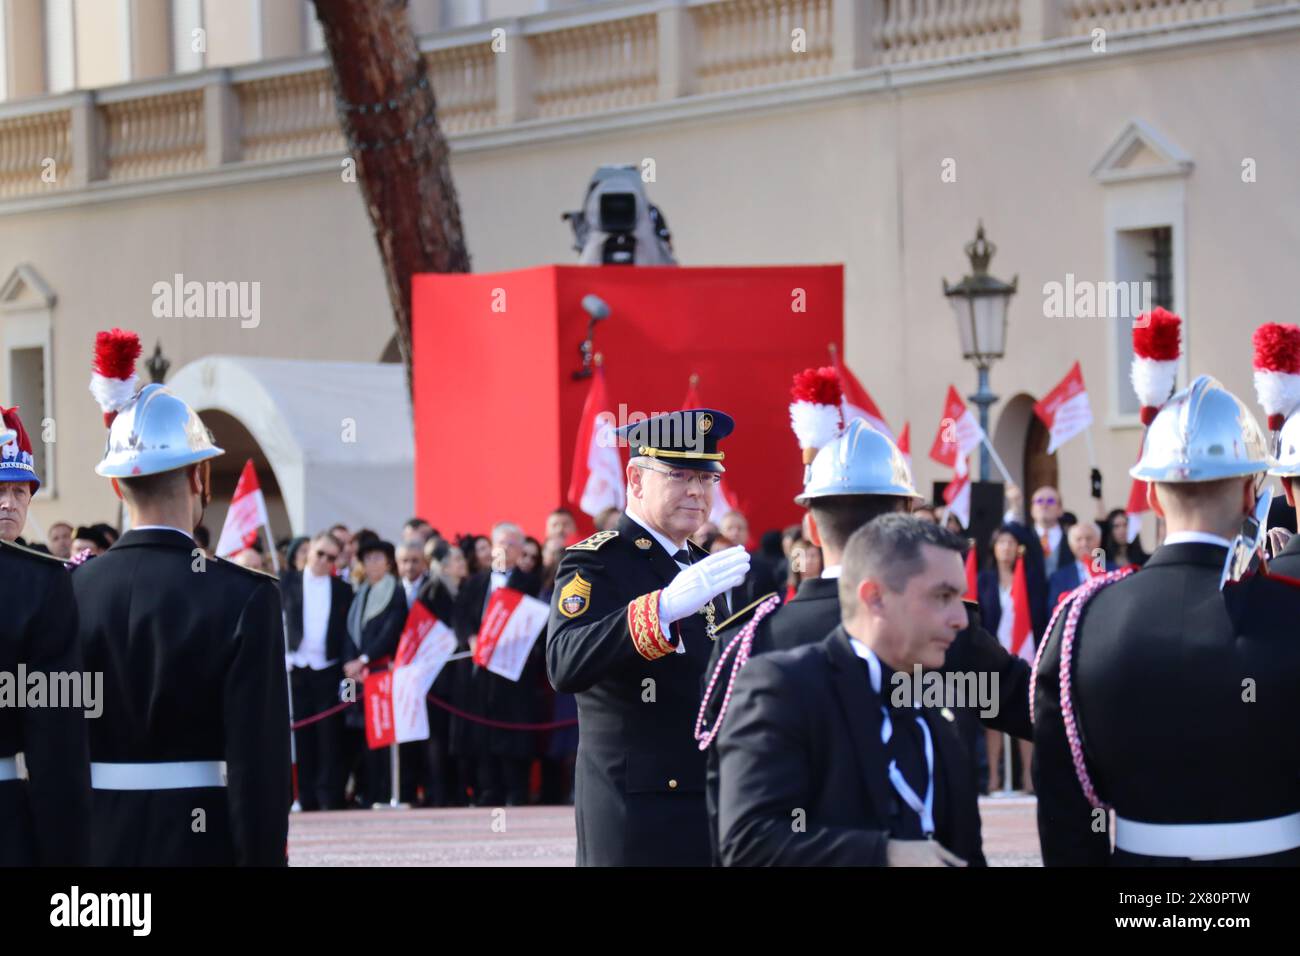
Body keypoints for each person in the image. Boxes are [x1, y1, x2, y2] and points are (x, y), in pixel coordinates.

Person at [701, 414, 1033, 862]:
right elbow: (1044, 711)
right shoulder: (949, 634)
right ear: (905, 522)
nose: (951, 616)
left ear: (813, 528)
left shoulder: (750, 639)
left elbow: (719, 799)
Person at [1034, 372, 1300, 865]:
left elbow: (1066, 817)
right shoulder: (1289, 607)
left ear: (1152, 496)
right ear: (1249, 494)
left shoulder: (1082, 623)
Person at [75, 362, 288, 864]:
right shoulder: (244, 597)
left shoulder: (68, 593)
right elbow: (260, 770)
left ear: (116, 486)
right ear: (200, 475)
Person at [716, 515, 984, 866]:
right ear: (874, 598)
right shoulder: (786, 686)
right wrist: (883, 854)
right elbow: (749, 842)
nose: (960, 619)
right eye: (942, 596)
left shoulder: (938, 709)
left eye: (959, 597)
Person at [547, 408, 748, 866]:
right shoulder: (597, 562)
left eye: (707, 477)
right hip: (634, 809)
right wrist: (660, 611)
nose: (697, 491)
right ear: (636, 480)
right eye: (679, 475)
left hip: (705, 798)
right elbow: (564, 663)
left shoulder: (703, 566)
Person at [0, 414, 91, 866]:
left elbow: (55, 724)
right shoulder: (41, 583)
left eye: (19, 492)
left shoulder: (41, 580)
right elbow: (57, 738)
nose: (9, 504)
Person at [453, 521, 543, 806]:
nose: (504, 549)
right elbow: (461, 617)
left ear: (520, 550)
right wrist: (470, 638)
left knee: (514, 733)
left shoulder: (532, 583)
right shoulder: (475, 583)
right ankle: (487, 791)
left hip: (515, 672)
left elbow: (539, 625)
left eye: (511, 544)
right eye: (500, 544)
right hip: (480, 674)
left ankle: (516, 791)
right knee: (482, 732)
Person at [281, 531, 354, 811]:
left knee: (329, 736)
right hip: (295, 668)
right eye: (320, 554)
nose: (324, 561)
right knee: (301, 735)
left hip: (329, 669)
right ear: (309, 551)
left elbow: (347, 632)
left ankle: (328, 797)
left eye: (331, 557)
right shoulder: (286, 582)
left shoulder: (342, 589)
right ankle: (303, 795)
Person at [342, 538, 408, 805]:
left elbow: (391, 630)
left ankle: (384, 792)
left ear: (388, 561)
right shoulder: (360, 593)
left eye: (378, 558)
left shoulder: (396, 591)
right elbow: (348, 630)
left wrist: (365, 659)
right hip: (356, 677)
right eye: (367, 559)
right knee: (358, 736)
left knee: (381, 735)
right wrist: (350, 662)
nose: (372, 564)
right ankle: (365, 792)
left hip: (380, 672)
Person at [976, 527, 1035, 793]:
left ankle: (1027, 777)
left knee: (1026, 710)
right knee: (992, 715)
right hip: (992, 652)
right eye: (1002, 543)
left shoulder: (1028, 578)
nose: (1007, 548)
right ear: (994, 547)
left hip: (1022, 651)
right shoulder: (984, 579)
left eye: (1011, 543)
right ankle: (994, 779)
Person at [1046, 520, 1116, 609]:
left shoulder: (1115, 572)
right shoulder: (1058, 578)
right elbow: (1054, 611)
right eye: (1079, 539)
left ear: (1099, 541)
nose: (1084, 544)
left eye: (1089, 538)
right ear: (1071, 545)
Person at [0, 407, 40, 542]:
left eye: (19, 492)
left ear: (29, 499)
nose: (9, 504)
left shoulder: (34, 563)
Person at [397, 542, 430, 607]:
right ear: (397, 563)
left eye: (415, 561)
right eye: (405, 560)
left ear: (424, 562)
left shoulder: (433, 588)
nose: (409, 566)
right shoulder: (393, 590)